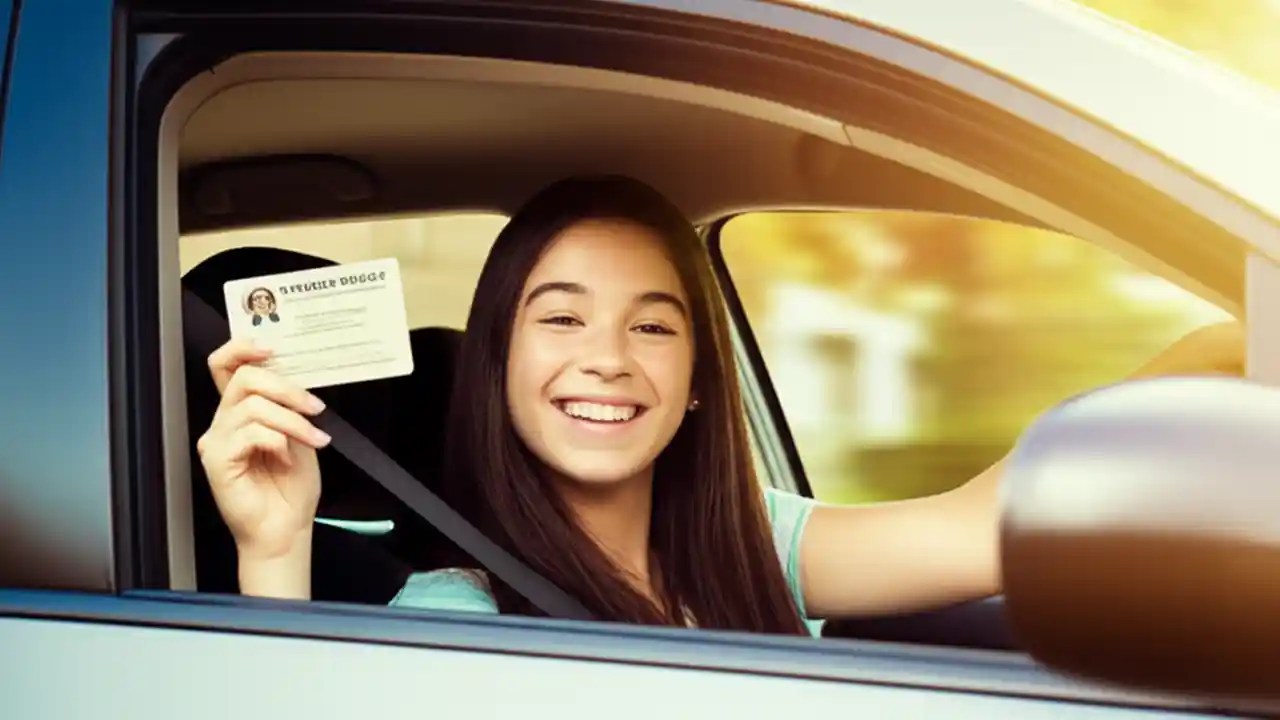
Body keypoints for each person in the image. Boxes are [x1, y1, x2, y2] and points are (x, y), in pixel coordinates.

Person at [195, 175, 1246, 636]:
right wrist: (274, 549)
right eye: (559, 321)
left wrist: (1222, 348)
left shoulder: (755, 546)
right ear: (495, 365)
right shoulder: (454, 616)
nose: (607, 359)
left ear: (699, 383)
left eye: (652, 326)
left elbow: (996, 522)